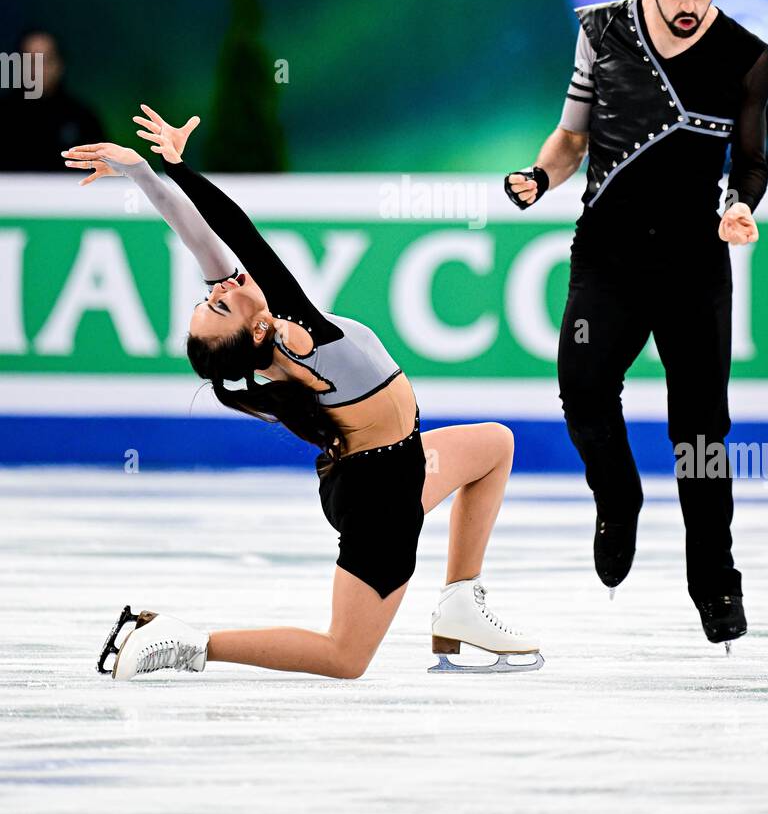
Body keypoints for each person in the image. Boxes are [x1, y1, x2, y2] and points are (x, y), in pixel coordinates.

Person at [62, 105, 542, 680]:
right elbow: (238, 231)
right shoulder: (303, 336)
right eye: (218, 304)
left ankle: (460, 603)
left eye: (208, 298)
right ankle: (182, 641)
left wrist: (143, 172)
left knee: (492, 445)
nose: (220, 287)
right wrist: (180, 167)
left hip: (396, 464)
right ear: (256, 329)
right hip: (378, 497)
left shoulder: (266, 329)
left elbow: (199, 236)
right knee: (345, 656)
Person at [504, 0, 768, 647]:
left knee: (701, 433)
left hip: (693, 261)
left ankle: (714, 581)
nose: (689, 4)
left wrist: (740, 205)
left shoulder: (747, 56)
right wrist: (537, 176)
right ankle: (617, 498)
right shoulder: (602, 31)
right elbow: (570, 139)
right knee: (583, 389)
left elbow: (750, 161)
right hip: (608, 253)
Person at [0, 30, 105, 170]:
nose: (37, 69)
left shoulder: (82, 119)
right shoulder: (3, 115)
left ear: (59, 65)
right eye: (30, 61)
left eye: (44, 60)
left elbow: (103, 174)